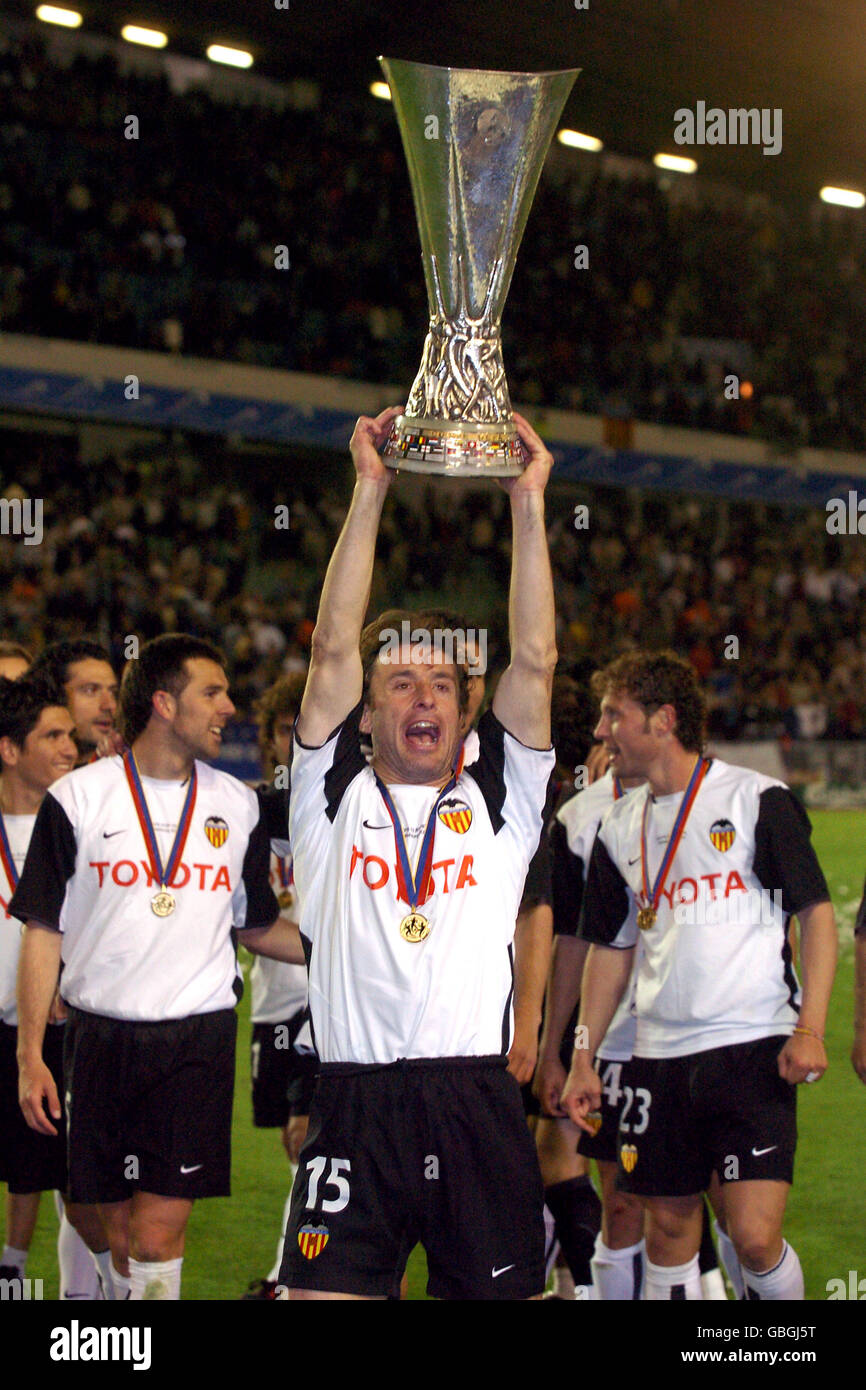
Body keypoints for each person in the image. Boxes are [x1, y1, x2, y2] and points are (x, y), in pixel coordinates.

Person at [279, 405, 557, 1301]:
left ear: (464, 710)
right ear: (368, 711)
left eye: (443, 681)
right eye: (401, 681)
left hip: (475, 1106)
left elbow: (538, 662)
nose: (425, 695)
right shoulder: (330, 797)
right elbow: (328, 649)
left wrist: (527, 503)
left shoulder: (501, 799)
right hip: (354, 1106)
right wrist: (368, 491)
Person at [11, 634, 303, 1301]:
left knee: (155, 1237)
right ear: (166, 703)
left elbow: (255, 924)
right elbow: (42, 930)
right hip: (97, 1038)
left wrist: (343, 948)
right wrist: (32, 1052)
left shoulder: (239, 804)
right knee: (115, 1235)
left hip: (195, 1042)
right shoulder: (79, 799)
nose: (230, 706)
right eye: (213, 692)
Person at [560, 650, 836, 1301]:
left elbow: (817, 916)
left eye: (613, 715)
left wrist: (812, 1029)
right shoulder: (617, 824)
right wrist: (582, 1056)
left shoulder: (755, 799)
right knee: (668, 1231)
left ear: (662, 720)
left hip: (751, 1047)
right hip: (658, 1056)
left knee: (755, 1236)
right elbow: (611, 949)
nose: (600, 733)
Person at [0, 675, 111, 1299]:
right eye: (54, 736)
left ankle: (118, 1287)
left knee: (80, 1185)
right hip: (7, 1033)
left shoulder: (86, 822)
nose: (71, 747)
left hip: (59, 1037)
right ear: (10, 750)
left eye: (71, 734)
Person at [243, 674, 316, 1300]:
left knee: (307, 1133)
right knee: (295, 1146)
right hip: (273, 997)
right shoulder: (250, 813)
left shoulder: (342, 806)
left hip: (325, 1000)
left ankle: (287, 1276)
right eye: (280, 731)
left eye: (302, 729)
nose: (291, 743)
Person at [28, 639, 119, 764]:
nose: (110, 705)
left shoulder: (129, 776)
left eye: (113, 692)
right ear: (54, 697)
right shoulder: (28, 778)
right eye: (90, 690)